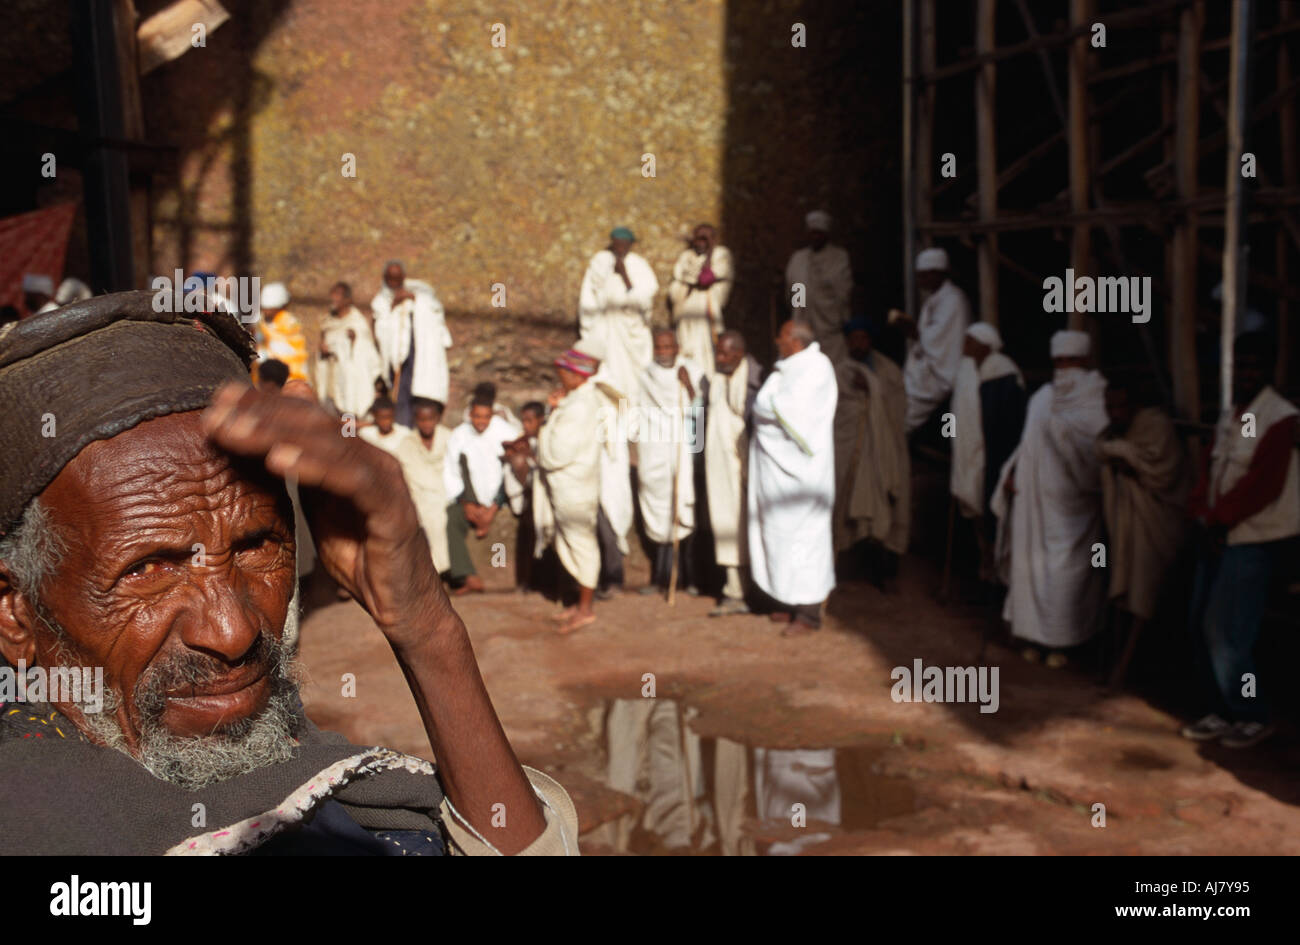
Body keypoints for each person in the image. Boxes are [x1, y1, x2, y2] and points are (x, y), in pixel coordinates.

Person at [0, 291, 577, 854]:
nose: (234, 632)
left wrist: (427, 629)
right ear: (15, 614)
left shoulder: (320, 782)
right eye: (149, 569)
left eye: (255, 545)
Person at [1181, 331, 1298, 748]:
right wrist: (1201, 514)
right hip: (1217, 535)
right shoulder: (1233, 415)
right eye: (1241, 365)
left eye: (1254, 366)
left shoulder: (1280, 417)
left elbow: (1263, 486)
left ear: (1268, 369)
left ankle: (1250, 712)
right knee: (1199, 624)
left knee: (1228, 633)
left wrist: (1218, 521)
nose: (1246, 373)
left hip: (1251, 540)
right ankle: (1219, 709)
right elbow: (1211, 473)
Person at [992, 330, 1108, 668]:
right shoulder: (1042, 397)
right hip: (1033, 499)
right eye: (1058, 361)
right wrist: (1011, 474)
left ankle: (1063, 644)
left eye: (1070, 361)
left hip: (1075, 506)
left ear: (1084, 360)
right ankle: (1032, 637)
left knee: (1068, 572)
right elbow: (1027, 444)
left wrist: (1065, 432)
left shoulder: (1096, 396)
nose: (1064, 368)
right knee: (1031, 567)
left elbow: (1095, 451)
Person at [749, 320, 839, 635]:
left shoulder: (816, 368)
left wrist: (767, 407)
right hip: (777, 474)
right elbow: (766, 405)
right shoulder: (786, 368)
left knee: (806, 539)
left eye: (782, 336)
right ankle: (786, 601)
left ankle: (809, 614)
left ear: (795, 340)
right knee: (779, 535)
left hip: (804, 476)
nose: (776, 340)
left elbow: (793, 413)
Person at [1096, 377, 1189, 683]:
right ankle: (1118, 662)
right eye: (1109, 407)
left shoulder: (1155, 426)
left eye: (1121, 406)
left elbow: (1161, 473)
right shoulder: (1114, 431)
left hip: (1155, 522)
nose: (1115, 413)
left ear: (1135, 405)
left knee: (1145, 588)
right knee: (1125, 587)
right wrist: (1119, 454)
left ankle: (1124, 668)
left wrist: (1123, 454)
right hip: (1127, 525)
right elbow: (1101, 449)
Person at [534, 343, 605, 634]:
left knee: (582, 545)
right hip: (568, 489)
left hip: (575, 489)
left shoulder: (581, 407)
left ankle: (586, 609)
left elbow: (555, 454)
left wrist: (544, 429)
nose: (560, 377)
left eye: (563, 372)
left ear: (578, 376)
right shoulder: (575, 402)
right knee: (572, 543)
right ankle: (578, 604)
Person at [833, 317, 909, 586]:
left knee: (888, 508)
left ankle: (886, 573)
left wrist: (873, 393)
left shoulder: (888, 371)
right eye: (853, 339)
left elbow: (898, 409)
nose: (858, 344)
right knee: (844, 504)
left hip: (884, 450)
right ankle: (840, 569)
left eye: (863, 338)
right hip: (849, 450)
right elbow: (835, 411)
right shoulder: (839, 371)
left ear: (870, 341)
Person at [950, 322, 1027, 583]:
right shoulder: (965, 371)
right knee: (978, 515)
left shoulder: (1003, 371)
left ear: (985, 344)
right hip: (969, 452)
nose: (965, 347)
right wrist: (956, 442)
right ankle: (986, 570)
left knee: (996, 511)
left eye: (970, 341)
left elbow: (1007, 420)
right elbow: (958, 414)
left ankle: (1000, 574)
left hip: (995, 453)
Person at [636, 329, 705, 595]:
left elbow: (699, 411)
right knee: (659, 514)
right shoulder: (645, 375)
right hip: (654, 453)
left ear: (677, 347)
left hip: (681, 452)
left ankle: (687, 578)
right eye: (659, 348)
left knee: (682, 511)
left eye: (668, 347)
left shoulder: (693, 371)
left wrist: (687, 385)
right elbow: (638, 411)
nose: (663, 353)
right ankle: (660, 577)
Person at [704, 330, 762, 616]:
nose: (720, 358)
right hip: (719, 468)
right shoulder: (715, 379)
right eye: (718, 353)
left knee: (749, 526)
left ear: (740, 354)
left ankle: (757, 591)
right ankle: (734, 590)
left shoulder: (756, 380)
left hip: (746, 467)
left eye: (725, 354)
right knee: (725, 523)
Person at [443, 392, 522, 595]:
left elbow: (510, 475)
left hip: (499, 500)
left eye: (485, 417)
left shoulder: (506, 433)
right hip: (468, 499)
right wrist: (466, 503)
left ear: (492, 416)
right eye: (477, 416)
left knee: (505, 524)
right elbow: (453, 472)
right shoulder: (459, 435)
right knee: (451, 519)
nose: (481, 421)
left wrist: (493, 508)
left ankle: (499, 574)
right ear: (470, 415)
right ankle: (468, 575)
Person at [578, 227, 658, 401]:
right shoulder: (601, 261)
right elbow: (589, 296)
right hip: (606, 325)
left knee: (634, 375)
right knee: (609, 369)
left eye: (624, 244)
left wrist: (624, 274)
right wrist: (590, 325)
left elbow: (645, 299)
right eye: (617, 243)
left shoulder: (638, 265)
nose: (620, 247)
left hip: (630, 327)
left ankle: (634, 407)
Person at [898, 248, 971, 434]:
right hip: (923, 367)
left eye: (925, 276)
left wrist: (915, 332)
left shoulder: (953, 300)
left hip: (939, 372)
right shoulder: (933, 299)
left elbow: (943, 343)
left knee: (903, 417)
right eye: (919, 276)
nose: (921, 281)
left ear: (937, 274)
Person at [371, 260, 452, 427]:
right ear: (385, 279)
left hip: (419, 356)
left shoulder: (421, 294)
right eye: (390, 279)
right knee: (401, 397)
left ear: (403, 278)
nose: (394, 283)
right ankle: (402, 430)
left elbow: (435, 316)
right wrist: (394, 305)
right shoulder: (380, 301)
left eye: (397, 279)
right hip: (399, 362)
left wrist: (413, 299)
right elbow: (381, 329)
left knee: (422, 396)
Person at [784, 211, 853, 364]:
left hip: (829, 328)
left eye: (819, 233)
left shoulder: (838, 258)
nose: (815, 237)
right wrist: (800, 315)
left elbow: (842, 293)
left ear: (826, 234)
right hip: (803, 326)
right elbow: (795, 288)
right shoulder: (799, 259)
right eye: (812, 233)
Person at [395, 396, 452, 576]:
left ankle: (440, 570)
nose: (426, 424)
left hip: (444, 491)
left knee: (438, 520)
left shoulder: (448, 438)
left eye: (430, 419)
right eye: (422, 419)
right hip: (418, 493)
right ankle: (435, 570)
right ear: (416, 420)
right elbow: (406, 473)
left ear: (437, 419)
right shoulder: (407, 443)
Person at [667, 224, 733, 370]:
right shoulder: (686, 257)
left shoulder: (720, 255)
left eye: (704, 239)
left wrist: (710, 251)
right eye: (697, 239)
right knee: (685, 351)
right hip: (685, 317)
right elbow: (680, 280)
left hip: (706, 317)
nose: (699, 243)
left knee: (706, 355)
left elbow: (705, 279)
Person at [503, 402, 551, 592]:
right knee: (528, 536)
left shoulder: (547, 439)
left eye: (530, 421)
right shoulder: (522, 441)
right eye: (523, 420)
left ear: (540, 421)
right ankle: (526, 581)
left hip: (548, 496)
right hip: (531, 498)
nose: (525, 425)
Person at [317, 281, 382, 419]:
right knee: (331, 426)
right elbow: (323, 344)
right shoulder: (328, 322)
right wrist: (324, 351)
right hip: (331, 381)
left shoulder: (356, 323)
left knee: (348, 425)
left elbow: (364, 353)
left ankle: (349, 436)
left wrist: (352, 343)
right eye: (332, 294)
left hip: (349, 383)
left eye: (337, 295)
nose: (333, 299)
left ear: (347, 300)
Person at [255, 282, 309, 382]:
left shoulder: (288, 323)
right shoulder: (261, 323)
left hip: (286, 379)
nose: (266, 311)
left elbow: (293, 357)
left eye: (268, 309)